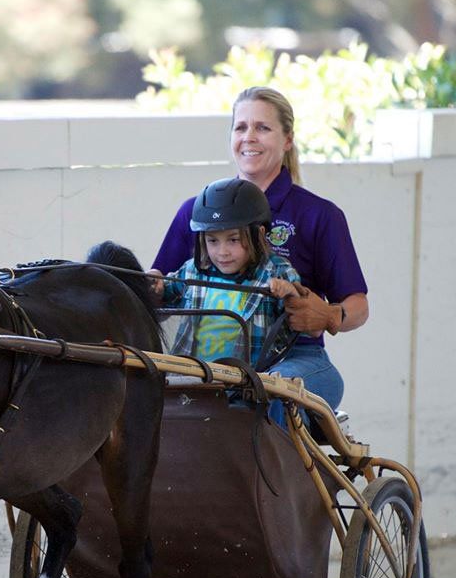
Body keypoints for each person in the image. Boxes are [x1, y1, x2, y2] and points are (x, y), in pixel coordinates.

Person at [152, 86, 368, 426]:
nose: (249, 137)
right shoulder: (197, 211)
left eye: (262, 128)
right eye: (241, 128)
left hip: (294, 356)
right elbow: (162, 284)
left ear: (287, 140)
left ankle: (266, 479)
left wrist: (329, 315)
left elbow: (359, 306)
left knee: (270, 390)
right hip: (208, 356)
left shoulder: (319, 215)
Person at [149, 177, 299, 369]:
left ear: (259, 234)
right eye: (212, 241)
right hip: (190, 378)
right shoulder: (192, 270)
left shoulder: (278, 272)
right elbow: (162, 297)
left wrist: (289, 292)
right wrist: (155, 285)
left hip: (246, 384)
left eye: (233, 240)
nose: (222, 252)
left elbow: (301, 314)